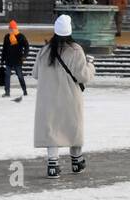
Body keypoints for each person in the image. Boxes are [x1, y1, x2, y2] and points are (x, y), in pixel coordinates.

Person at [32, 14, 96, 178]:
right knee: (73, 128)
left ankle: (53, 164)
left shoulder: (44, 50)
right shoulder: (75, 50)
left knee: (52, 129)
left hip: (48, 99)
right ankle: (76, 161)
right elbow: (83, 76)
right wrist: (90, 65)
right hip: (70, 98)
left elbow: (35, 73)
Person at [0, 19, 30, 99]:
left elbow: (27, 46)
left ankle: (24, 90)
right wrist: (2, 59)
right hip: (8, 60)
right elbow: (4, 49)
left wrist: (24, 56)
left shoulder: (20, 36)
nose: (10, 30)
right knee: (7, 76)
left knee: (20, 76)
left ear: (15, 28)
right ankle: (7, 92)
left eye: (12, 28)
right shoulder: (7, 37)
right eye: (9, 28)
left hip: (17, 60)